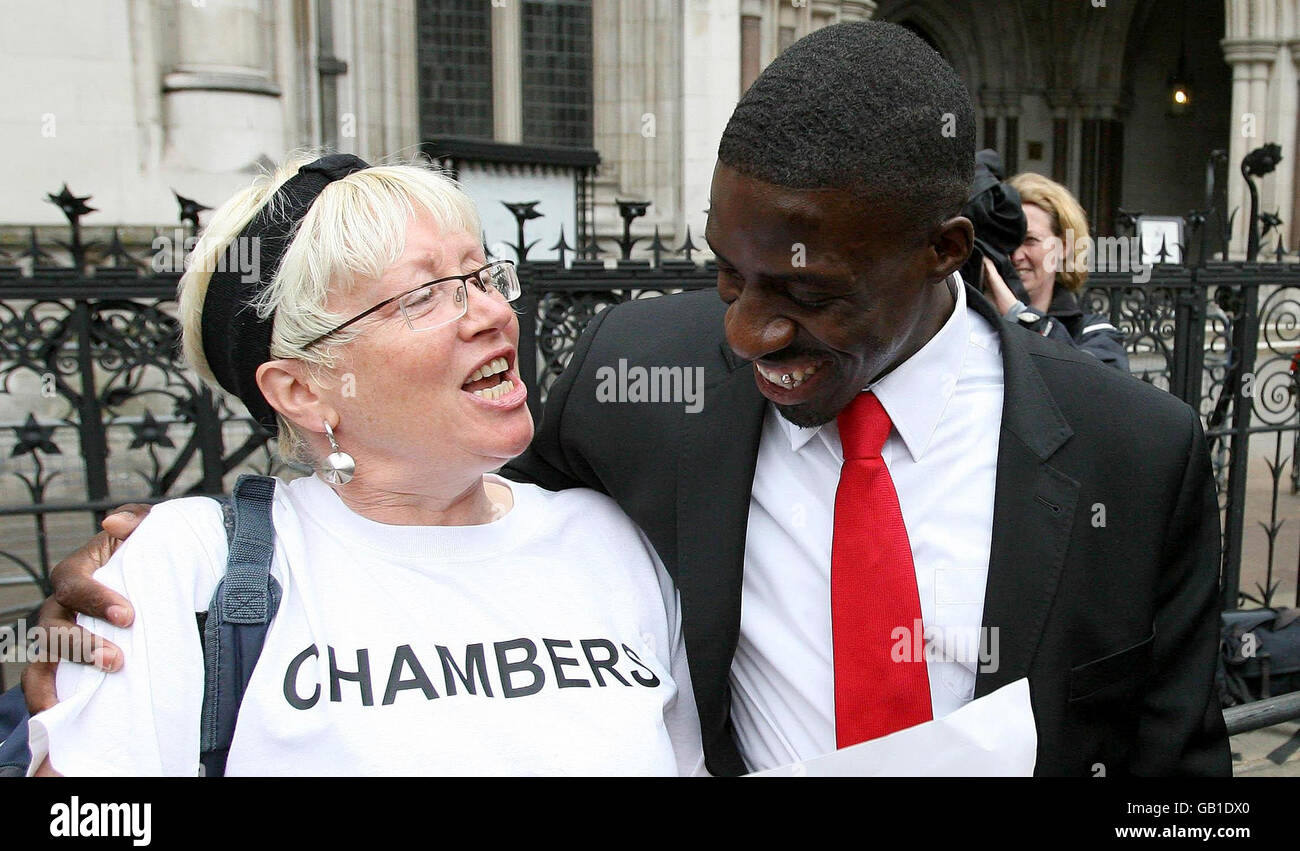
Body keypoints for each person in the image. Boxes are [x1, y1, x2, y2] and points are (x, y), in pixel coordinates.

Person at [28, 22, 1227, 776]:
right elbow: (407, 495)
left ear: (942, 251)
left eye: (803, 293)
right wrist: (147, 574)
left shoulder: (1136, 451)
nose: (748, 332)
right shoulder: (637, 387)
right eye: (724, 274)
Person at [21, 153, 703, 776]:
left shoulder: (610, 540)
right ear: (301, 390)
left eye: (481, 274)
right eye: (422, 295)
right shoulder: (184, 566)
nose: (493, 312)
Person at [981, 171, 1130, 372]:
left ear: (1063, 247)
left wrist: (1018, 315)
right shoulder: (970, 323)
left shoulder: (1092, 333)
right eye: (1007, 241)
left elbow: (1092, 387)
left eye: (1030, 240)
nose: (1016, 256)